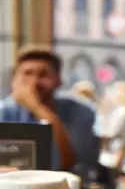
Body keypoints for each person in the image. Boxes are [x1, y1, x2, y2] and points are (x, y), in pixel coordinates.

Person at [0, 45, 99, 176]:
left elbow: (70, 163)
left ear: (58, 80)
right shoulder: (4, 111)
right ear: (14, 80)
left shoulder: (81, 111)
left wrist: (37, 108)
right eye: (27, 74)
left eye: (43, 75)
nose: (34, 83)